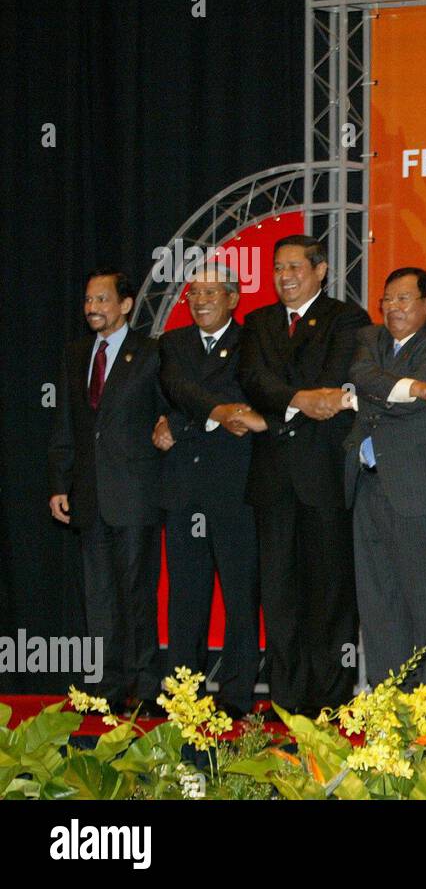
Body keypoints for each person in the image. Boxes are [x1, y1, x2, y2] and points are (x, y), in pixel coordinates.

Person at [238, 234, 371, 715]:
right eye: (278, 268)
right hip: (273, 479)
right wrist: (299, 399)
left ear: (320, 270)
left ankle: (330, 700)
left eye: (294, 266)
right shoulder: (258, 322)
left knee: (331, 593)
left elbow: (334, 382)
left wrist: (285, 400)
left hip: (325, 476)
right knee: (279, 594)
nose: (285, 276)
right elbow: (253, 379)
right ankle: (286, 701)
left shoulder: (347, 319)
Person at [48, 269, 166, 714]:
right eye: (88, 300)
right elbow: (67, 424)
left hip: (135, 493)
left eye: (101, 299)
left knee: (137, 595)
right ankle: (105, 690)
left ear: (126, 305)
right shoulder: (76, 353)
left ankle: (147, 689)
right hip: (88, 494)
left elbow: (168, 409)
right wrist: (59, 483)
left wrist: (168, 425)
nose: (92, 308)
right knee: (98, 600)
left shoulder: (151, 353)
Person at [343, 267, 426, 707]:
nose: (392, 307)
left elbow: (416, 405)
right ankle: (388, 703)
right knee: (378, 601)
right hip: (368, 486)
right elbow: (361, 375)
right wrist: (404, 388)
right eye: (387, 299)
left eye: (403, 299)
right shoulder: (368, 338)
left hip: (421, 490)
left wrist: (375, 393)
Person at [153, 263, 265, 719]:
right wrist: (217, 414)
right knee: (186, 596)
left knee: (241, 595)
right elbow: (174, 390)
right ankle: (184, 695)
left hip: (235, 487)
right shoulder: (173, 343)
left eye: (211, 292)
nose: (200, 301)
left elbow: (246, 397)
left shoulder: (251, 341)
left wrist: (186, 420)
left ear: (233, 298)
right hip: (183, 486)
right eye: (194, 293)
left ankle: (236, 695)